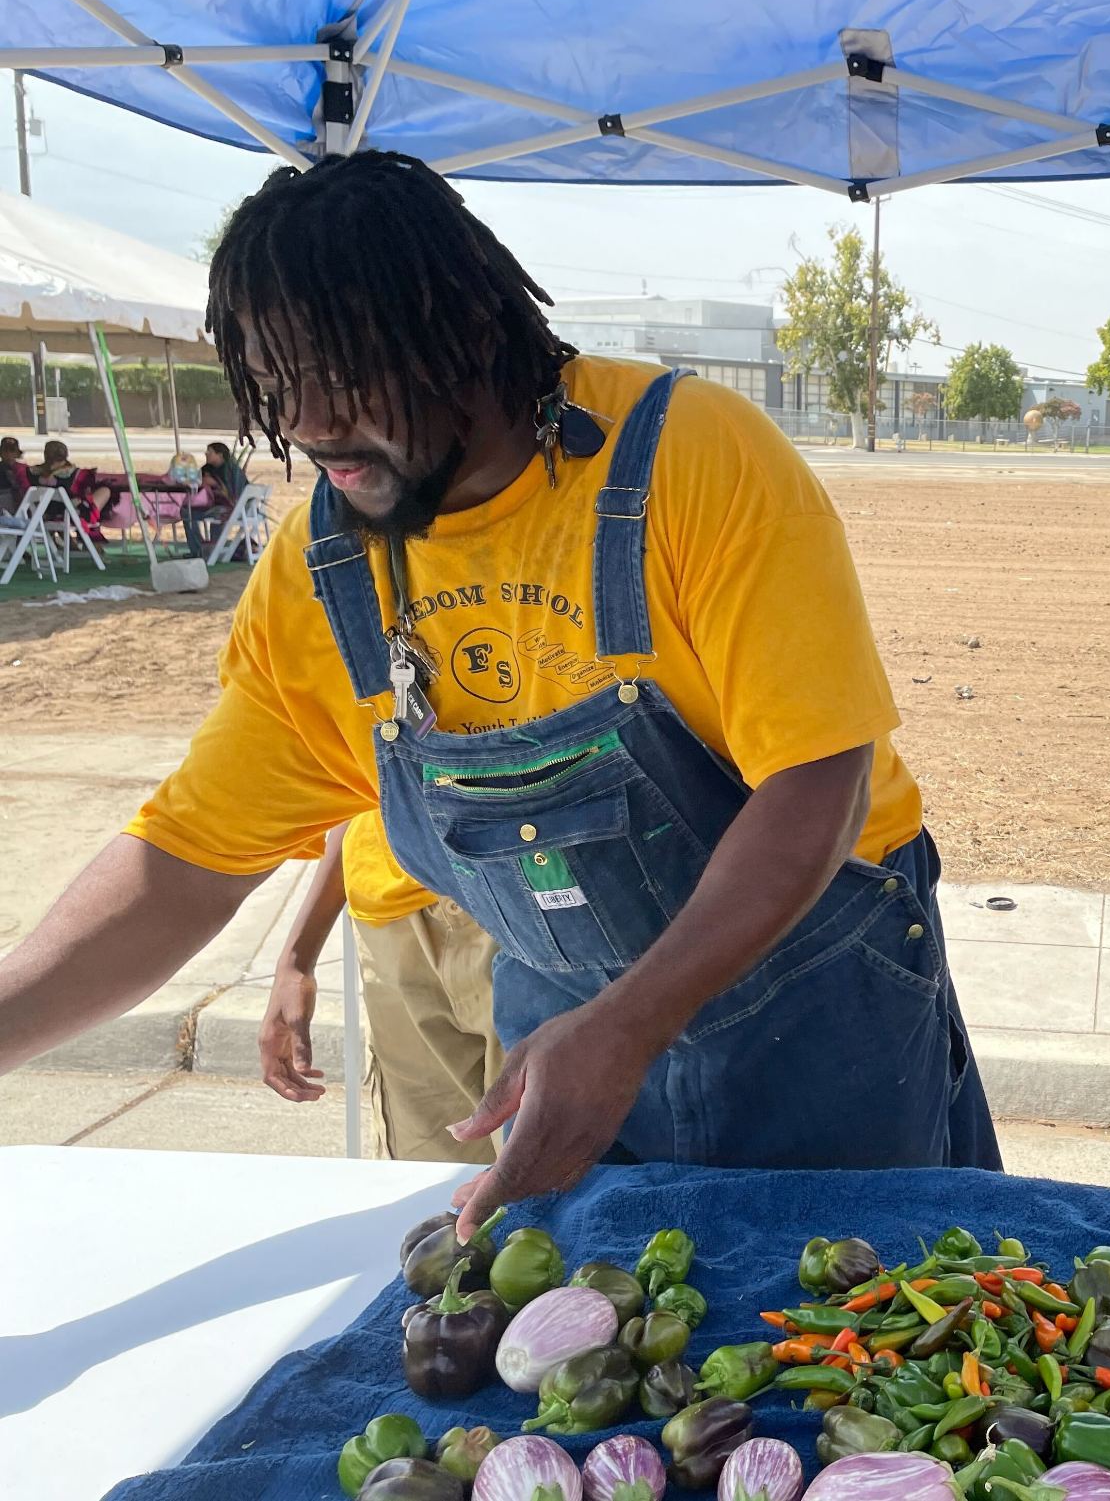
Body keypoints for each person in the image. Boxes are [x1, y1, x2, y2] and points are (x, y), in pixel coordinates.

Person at [0, 151, 1000, 1237]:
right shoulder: (323, 574)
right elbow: (185, 864)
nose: (311, 422)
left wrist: (628, 1025)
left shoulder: (692, 458)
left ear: (466, 327)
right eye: (277, 383)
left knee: (866, 1305)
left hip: (822, 1011)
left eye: (343, 373)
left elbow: (817, 785)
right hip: (563, 1041)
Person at [262, 814, 503, 1164]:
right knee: (427, 1176)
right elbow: (356, 788)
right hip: (390, 921)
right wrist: (296, 959)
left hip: (516, 903)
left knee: (554, 1167)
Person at [182, 439, 247, 556]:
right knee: (187, 512)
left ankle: (212, 550)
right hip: (210, 505)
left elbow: (234, 492)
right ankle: (199, 550)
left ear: (219, 455)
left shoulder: (231, 469)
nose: (206, 453)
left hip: (231, 508)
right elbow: (197, 482)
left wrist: (215, 483)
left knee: (218, 513)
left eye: (210, 451)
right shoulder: (207, 469)